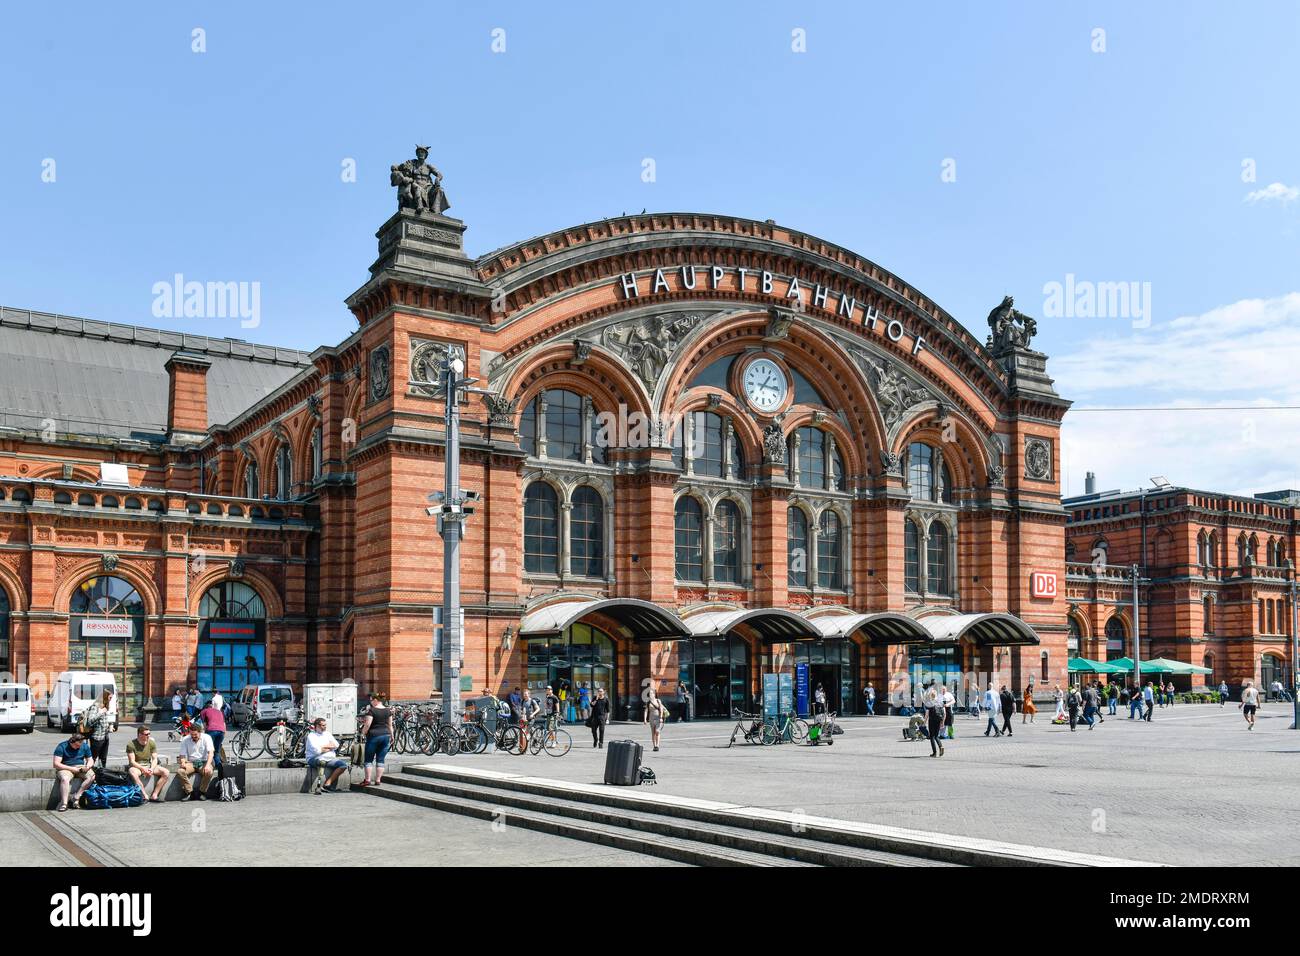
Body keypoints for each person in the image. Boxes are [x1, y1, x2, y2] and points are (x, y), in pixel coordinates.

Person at [356, 691, 393, 788]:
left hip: (374, 736)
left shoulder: (371, 711)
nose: (370, 702)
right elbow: (390, 725)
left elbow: (367, 724)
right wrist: (392, 736)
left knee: (368, 759)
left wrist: (362, 734)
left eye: (371, 700)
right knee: (380, 759)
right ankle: (378, 780)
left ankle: (367, 780)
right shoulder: (388, 710)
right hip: (386, 736)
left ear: (376, 700)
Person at [125, 725, 171, 802]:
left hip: (149, 765)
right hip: (137, 766)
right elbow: (132, 761)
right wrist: (143, 769)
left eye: (149, 734)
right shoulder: (131, 744)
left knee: (166, 772)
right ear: (140, 735)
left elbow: (154, 758)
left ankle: (154, 795)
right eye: (146, 734)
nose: (148, 736)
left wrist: (151, 769)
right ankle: (144, 795)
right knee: (132, 772)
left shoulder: (151, 743)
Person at [52, 733, 97, 812]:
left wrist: (87, 767)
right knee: (65, 779)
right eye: (76, 746)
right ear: (71, 742)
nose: (78, 747)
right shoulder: (62, 746)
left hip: (80, 766)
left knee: (92, 776)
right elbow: (56, 764)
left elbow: (90, 760)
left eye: (80, 745)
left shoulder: (84, 746)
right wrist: (72, 769)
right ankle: (64, 803)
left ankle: (76, 797)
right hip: (66, 767)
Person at [305, 717, 347, 793]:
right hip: (314, 758)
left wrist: (323, 747)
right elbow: (317, 751)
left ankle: (327, 784)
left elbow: (336, 745)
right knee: (322, 762)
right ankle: (318, 786)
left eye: (325, 725)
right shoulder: (311, 736)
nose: (325, 727)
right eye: (323, 725)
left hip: (329, 758)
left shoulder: (327, 734)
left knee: (343, 765)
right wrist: (330, 747)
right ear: (317, 726)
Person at [177, 724, 216, 800]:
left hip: (204, 761)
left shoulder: (207, 737)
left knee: (209, 772)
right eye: (191, 734)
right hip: (191, 762)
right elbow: (182, 755)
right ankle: (190, 792)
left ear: (200, 732)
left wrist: (208, 765)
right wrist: (183, 763)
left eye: (195, 734)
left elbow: (211, 753)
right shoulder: (185, 739)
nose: (193, 736)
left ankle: (202, 792)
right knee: (180, 771)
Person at [82, 688, 115, 767]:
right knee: (93, 758)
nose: (110, 700)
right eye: (110, 697)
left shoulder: (103, 706)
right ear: (105, 697)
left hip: (105, 736)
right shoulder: (95, 707)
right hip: (97, 737)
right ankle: (90, 774)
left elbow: (101, 722)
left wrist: (109, 727)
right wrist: (101, 712)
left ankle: (102, 774)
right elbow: (90, 721)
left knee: (103, 758)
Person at [198, 696, 227, 772]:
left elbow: (204, 724)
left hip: (211, 730)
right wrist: (224, 733)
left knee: (208, 749)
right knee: (216, 750)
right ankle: (218, 765)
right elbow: (224, 724)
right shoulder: (219, 711)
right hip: (222, 731)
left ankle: (206, 764)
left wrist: (204, 734)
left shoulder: (204, 711)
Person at [644, 686, 669, 751]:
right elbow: (646, 711)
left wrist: (661, 717)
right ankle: (654, 746)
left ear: (654, 694)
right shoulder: (648, 702)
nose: (650, 695)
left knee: (657, 732)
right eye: (649, 694)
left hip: (658, 718)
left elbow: (661, 709)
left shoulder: (658, 701)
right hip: (651, 718)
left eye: (652, 693)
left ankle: (657, 745)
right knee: (653, 733)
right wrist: (645, 719)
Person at [924, 682, 945, 757]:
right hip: (939, 719)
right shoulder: (940, 701)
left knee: (932, 736)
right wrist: (942, 722)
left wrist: (924, 722)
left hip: (932, 720)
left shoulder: (929, 703)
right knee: (936, 736)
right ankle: (940, 746)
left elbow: (927, 714)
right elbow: (943, 712)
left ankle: (934, 752)